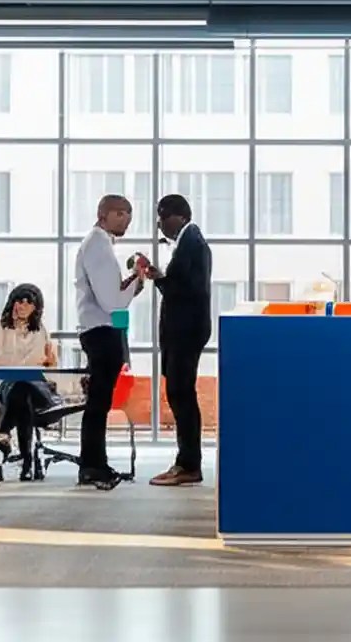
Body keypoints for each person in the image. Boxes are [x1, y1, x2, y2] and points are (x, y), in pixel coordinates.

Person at [74, 194, 145, 490]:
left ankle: (95, 463)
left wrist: (134, 281)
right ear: (103, 214)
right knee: (98, 404)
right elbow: (112, 302)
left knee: (100, 403)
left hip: (101, 331)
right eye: (120, 213)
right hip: (100, 333)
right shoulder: (98, 245)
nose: (127, 218)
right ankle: (92, 466)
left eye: (129, 213)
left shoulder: (100, 244)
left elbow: (114, 293)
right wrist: (136, 281)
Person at [144, 193, 213, 487]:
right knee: (179, 394)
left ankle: (188, 463)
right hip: (183, 332)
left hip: (186, 332)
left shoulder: (192, 244)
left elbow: (185, 290)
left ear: (180, 216)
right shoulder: (188, 242)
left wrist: (157, 277)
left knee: (181, 395)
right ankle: (185, 460)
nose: (160, 224)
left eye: (163, 216)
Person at [0, 284, 58, 482]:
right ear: (12, 303)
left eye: (29, 302)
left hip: (38, 390)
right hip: (8, 389)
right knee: (19, 391)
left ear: (36, 308)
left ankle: (2, 437)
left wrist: (52, 356)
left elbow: (51, 365)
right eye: (19, 300)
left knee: (24, 387)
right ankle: (26, 460)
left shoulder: (41, 331)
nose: (23, 306)